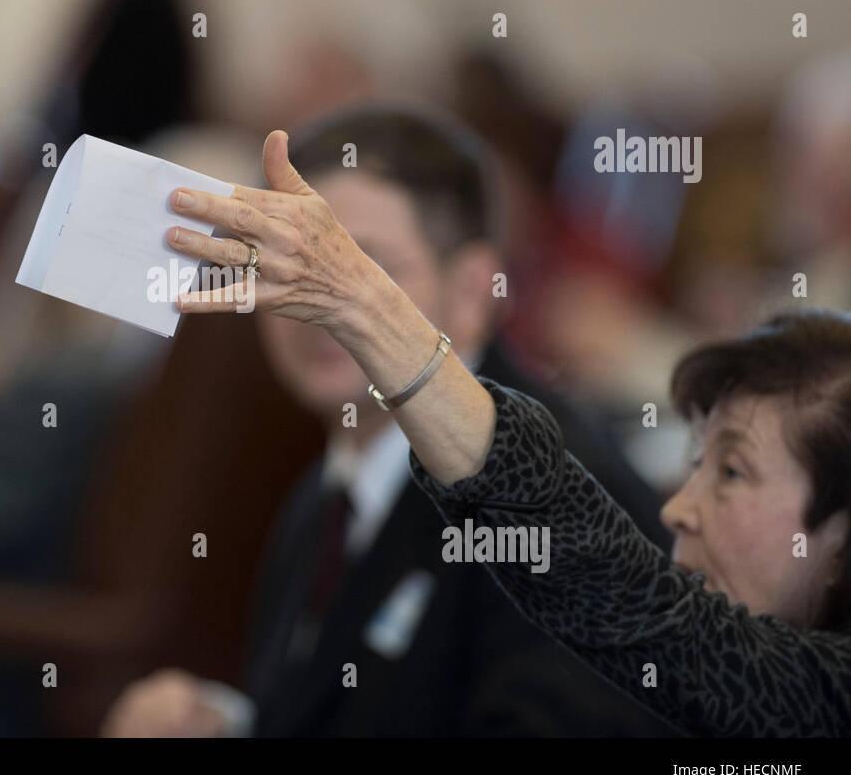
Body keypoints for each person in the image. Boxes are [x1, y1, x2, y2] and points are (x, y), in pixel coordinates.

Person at [164, 129, 851, 737]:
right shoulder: (316, 496)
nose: (672, 506)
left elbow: (618, 593)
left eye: (731, 470)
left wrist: (364, 306)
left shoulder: (801, 698)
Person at [104, 108, 672, 737]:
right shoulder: (322, 492)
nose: (312, 303)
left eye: (358, 270)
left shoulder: (558, 491)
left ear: (471, 291)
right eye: (286, 266)